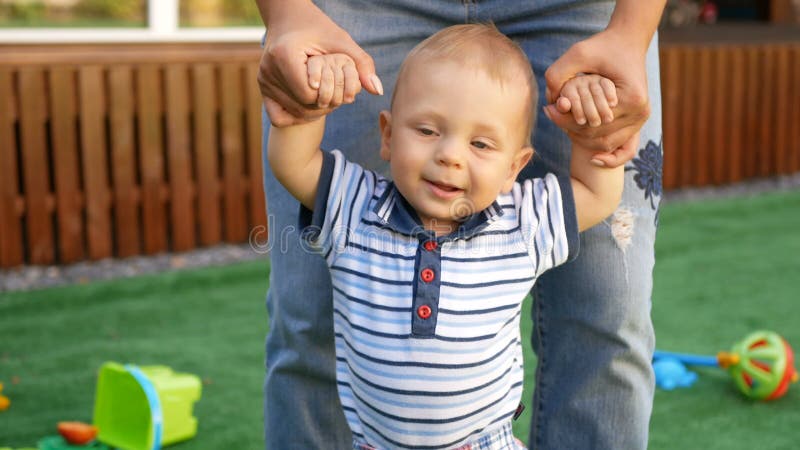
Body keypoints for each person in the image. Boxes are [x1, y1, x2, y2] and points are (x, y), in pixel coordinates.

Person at [256, 1, 665, 449]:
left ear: (515, 168)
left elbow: (597, 194)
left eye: (481, 143)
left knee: (607, 320)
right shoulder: (354, 207)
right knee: (305, 322)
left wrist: (593, 136)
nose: (450, 155)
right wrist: (310, 104)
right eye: (428, 131)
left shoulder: (523, 222)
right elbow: (294, 164)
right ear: (388, 135)